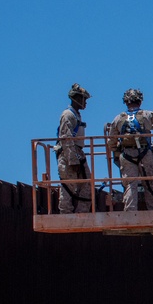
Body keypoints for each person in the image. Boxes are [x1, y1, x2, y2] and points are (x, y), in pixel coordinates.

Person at [106, 88, 153, 211]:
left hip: (126, 155)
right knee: (151, 184)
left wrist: (118, 150)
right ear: (140, 102)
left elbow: (111, 141)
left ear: (126, 102)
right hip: (144, 154)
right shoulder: (147, 115)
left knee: (130, 185)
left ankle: (130, 214)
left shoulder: (118, 119)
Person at [56, 83, 93, 213]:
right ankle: (65, 213)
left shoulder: (76, 115)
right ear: (76, 98)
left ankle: (82, 213)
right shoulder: (68, 115)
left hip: (78, 153)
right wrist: (72, 160)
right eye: (84, 99)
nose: (86, 103)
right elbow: (66, 138)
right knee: (69, 184)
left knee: (87, 183)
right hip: (69, 154)